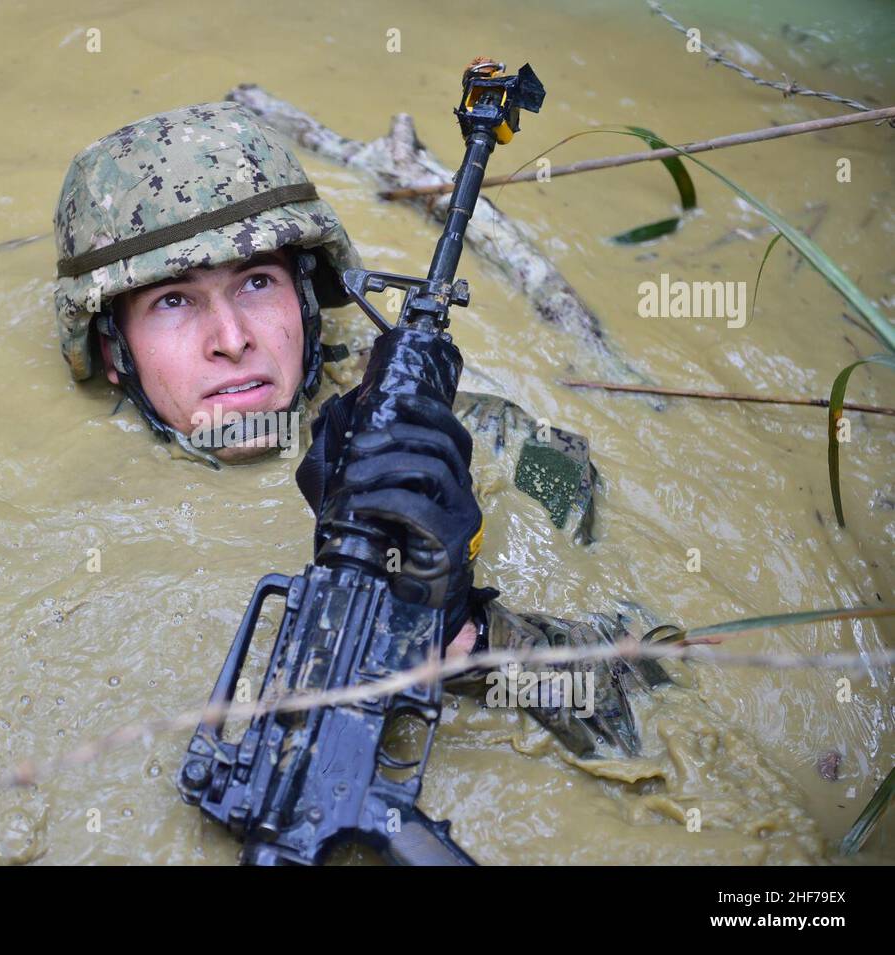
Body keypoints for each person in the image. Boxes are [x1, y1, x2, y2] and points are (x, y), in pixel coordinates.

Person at [52, 102, 665, 758]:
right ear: (114, 353)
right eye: (173, 300)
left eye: (257, 281)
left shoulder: (490, 445)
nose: (231, 340)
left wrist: (461, 631)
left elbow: (658, 698)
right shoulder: (66, 527)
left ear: (308, 302)